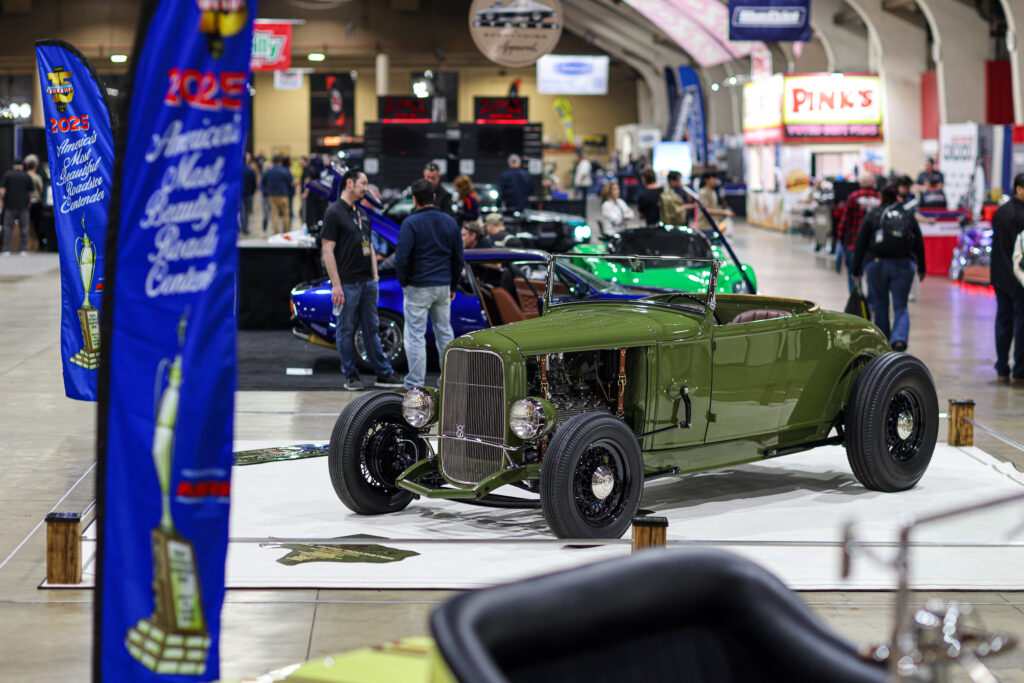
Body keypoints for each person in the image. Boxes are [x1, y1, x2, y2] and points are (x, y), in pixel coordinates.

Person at [320, 169, 403, 392]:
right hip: (347, 283)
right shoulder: (334, 212)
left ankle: (383, 374)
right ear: (349, 183)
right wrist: (336, 284)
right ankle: (350, 375)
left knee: (371, 328)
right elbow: (327, 250)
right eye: (363, 183)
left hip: (367, 282)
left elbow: (370, 245)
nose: (366, 188)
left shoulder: (362, 213)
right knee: (345, 329)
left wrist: (375, 275)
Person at [395, 178, 464, 390]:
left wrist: (404, 282)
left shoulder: (410, 223)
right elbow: (458, 258)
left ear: (414, 200)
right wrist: (453, 286)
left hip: (418, 286)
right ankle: (449, 381)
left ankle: (414, 384)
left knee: (415, 335)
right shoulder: (450, 221)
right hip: (443, 285)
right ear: (434, 197)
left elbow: (402, 258)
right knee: (444, 333)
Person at [852, 184, 926, 351]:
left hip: (877, 265)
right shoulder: (906, 215)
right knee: (901, 306)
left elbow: (860, 244)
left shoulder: (874, 215)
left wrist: (856, 271)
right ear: (897, 197)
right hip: (903, 265)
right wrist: (922, 267)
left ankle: (883, 341)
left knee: (880, 304)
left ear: (881, 197)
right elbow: (919, 242)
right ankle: (899, 339)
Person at [990, 173, 1024, 383]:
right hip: (1019, 280)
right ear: (1019, 189)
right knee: (1020, 326)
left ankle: (1002, 368)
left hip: (1000, 277)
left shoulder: (1000, 213)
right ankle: (1020, 371)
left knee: (1003, 322)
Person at [836, 174, 881, 293]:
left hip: (854, 244)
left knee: (854, 276)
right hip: (874, 246)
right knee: (874, 280)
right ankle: (871, 304)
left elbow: (844, 223)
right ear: (873, 183)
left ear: (861, 184)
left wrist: (841, 238)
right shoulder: (880, 198)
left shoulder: (853, 197)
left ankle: (856, 302)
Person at [0, 158, 35, 256]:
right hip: (23, 205)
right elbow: (30, 193)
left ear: (13, 165)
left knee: (8, 227)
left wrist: (1, 200)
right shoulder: (26, 176)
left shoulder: (8, 174)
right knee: (24, 227)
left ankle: (6, 249)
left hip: (9, 205)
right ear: (22, 166)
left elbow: (2, 190)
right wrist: (29, 202)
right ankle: (23, 249)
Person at [694, 167, 734, 234]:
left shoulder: (713, 191)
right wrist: (723, 212)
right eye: (714, 179)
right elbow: (706, 210)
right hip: (705, 228)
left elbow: (714, 206)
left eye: (716, 179)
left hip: (713, 226)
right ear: (706, 180)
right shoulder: (703, 192)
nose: (716, 181)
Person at [261, 155, 293, 234]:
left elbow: (263, 182)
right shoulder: (284, 170)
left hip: (272, 195)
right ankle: (286, 232)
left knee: (275, 214)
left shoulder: (268, 171)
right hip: (283, 195)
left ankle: (276, 233)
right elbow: (290, 182)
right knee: (286, 214)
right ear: (280, 162)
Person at [24, 155, 45, 251]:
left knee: (26, 223)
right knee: (37, 224)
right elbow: (41, 189)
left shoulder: (24, 176)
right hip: (36, 201)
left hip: (25, 202)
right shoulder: (37, 177)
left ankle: (26, 244)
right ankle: (40, 244)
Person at [241, 152, 258, 235]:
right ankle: (245, 227)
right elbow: (254, 182)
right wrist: (253, 191)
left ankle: (241, 227)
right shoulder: (250, 169)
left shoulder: (237, 169)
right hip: (248, 193)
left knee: (241, 211)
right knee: (246, 211)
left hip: (240, 193)